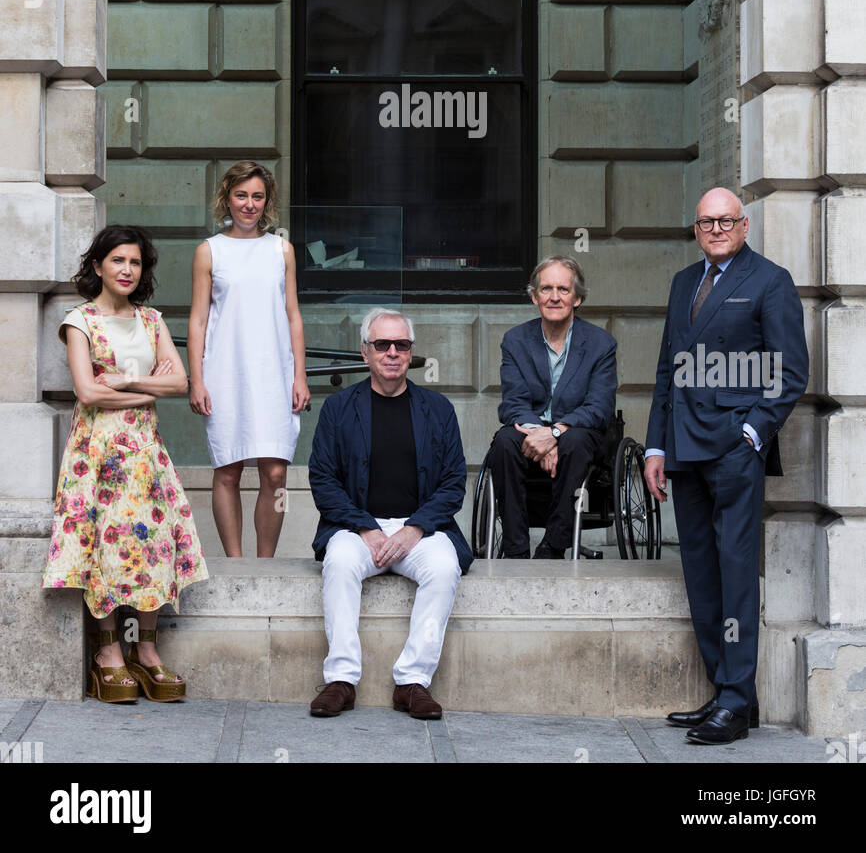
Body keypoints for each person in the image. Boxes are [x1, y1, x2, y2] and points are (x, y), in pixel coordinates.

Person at [644, 187, 809, 745]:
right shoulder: (682, 282)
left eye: (725, 220)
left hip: (734, 451)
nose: (715, 229)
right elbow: (668, 369)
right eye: (705, 222)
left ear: (744, 225)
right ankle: (727, 692)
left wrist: (751, 434)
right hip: (684, 451)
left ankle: (736, 703)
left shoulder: (770, 280)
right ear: (696, 229)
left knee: (736, 573)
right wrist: (655, 447)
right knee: (701, 573)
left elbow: (789, 372)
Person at [42, 225, 207, 703]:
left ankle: (147, 651)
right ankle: (108, 652)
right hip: (97, 453)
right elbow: (87, 392)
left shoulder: (152, 320)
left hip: (145, 450)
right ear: (98, 266)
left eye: (135, 263)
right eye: (117, 261)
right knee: (105, 549)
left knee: (152, 544)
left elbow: (180, 383)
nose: (127, 270)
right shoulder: (80, 321)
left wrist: (115, 379)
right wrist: (141, 386)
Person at [307, 308, 471, 720]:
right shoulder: (339, 409)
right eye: (383, 345)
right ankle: (341, 680)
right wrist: (365, 528)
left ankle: (412, 682)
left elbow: (454, 483)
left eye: (402, 345)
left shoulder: (438, 408)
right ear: (366, 352)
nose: (393, 353)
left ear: (411, 353)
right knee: (340, 561)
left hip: (419, 530)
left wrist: (415, 528)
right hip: (357, 528)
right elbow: (323, 480)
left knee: (445, 567)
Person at [187, 161, 310, 558]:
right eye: (241, 195)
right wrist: (198, 379)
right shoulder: (209, 251)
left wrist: (301, 377)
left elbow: (293, 314)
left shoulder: (281, 249)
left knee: (275, 473)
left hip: (275, 373)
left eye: (257, 196)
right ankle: (236, 565)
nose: (249, 204)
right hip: (225, 373)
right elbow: (198, 320)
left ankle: (265, 564)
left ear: (267, 202)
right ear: (227, 198)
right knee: (229, 469)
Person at [488, 257, 618, 558]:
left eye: (563, 289)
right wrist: (542, 438)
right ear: (534, 296)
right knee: (505, 442)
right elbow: (514, 402)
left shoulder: (601, 344)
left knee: (574, 441)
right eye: (546, 288)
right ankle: (515, 548)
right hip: (530, 432)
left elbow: (599, 407)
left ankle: (555, 543)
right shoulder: (515, 341)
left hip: (579, 435)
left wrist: (556, 433)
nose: (555, 297)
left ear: (578, 297)